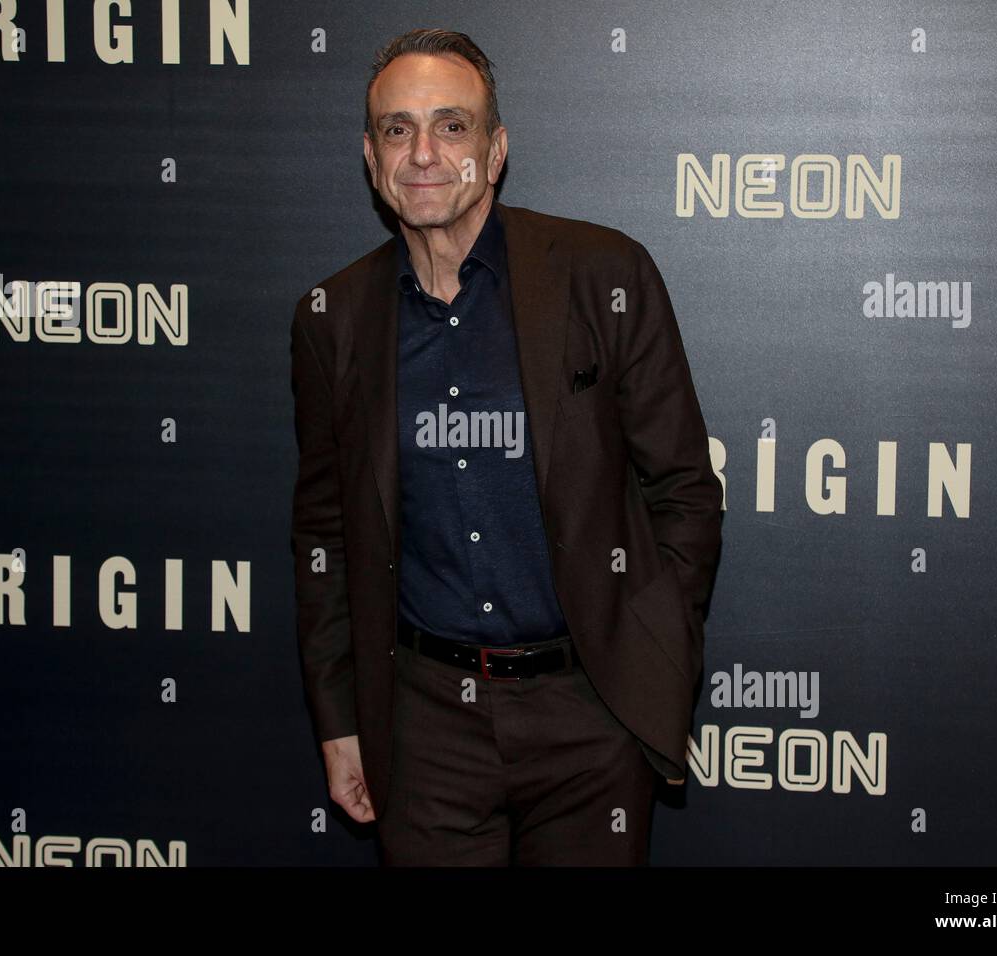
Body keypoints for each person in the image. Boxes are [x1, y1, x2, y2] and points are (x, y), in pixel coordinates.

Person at [290, 28, 723, 865]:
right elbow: (325, 534)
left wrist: (651, 652)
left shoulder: (605, 275)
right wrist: (340, 719)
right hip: (422, 730)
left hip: (591, 716)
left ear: (494, 152)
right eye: (396, 129)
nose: (422, 152)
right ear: (371, 157)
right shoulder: (331, 321)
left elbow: (684, 489)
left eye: (451, 126)